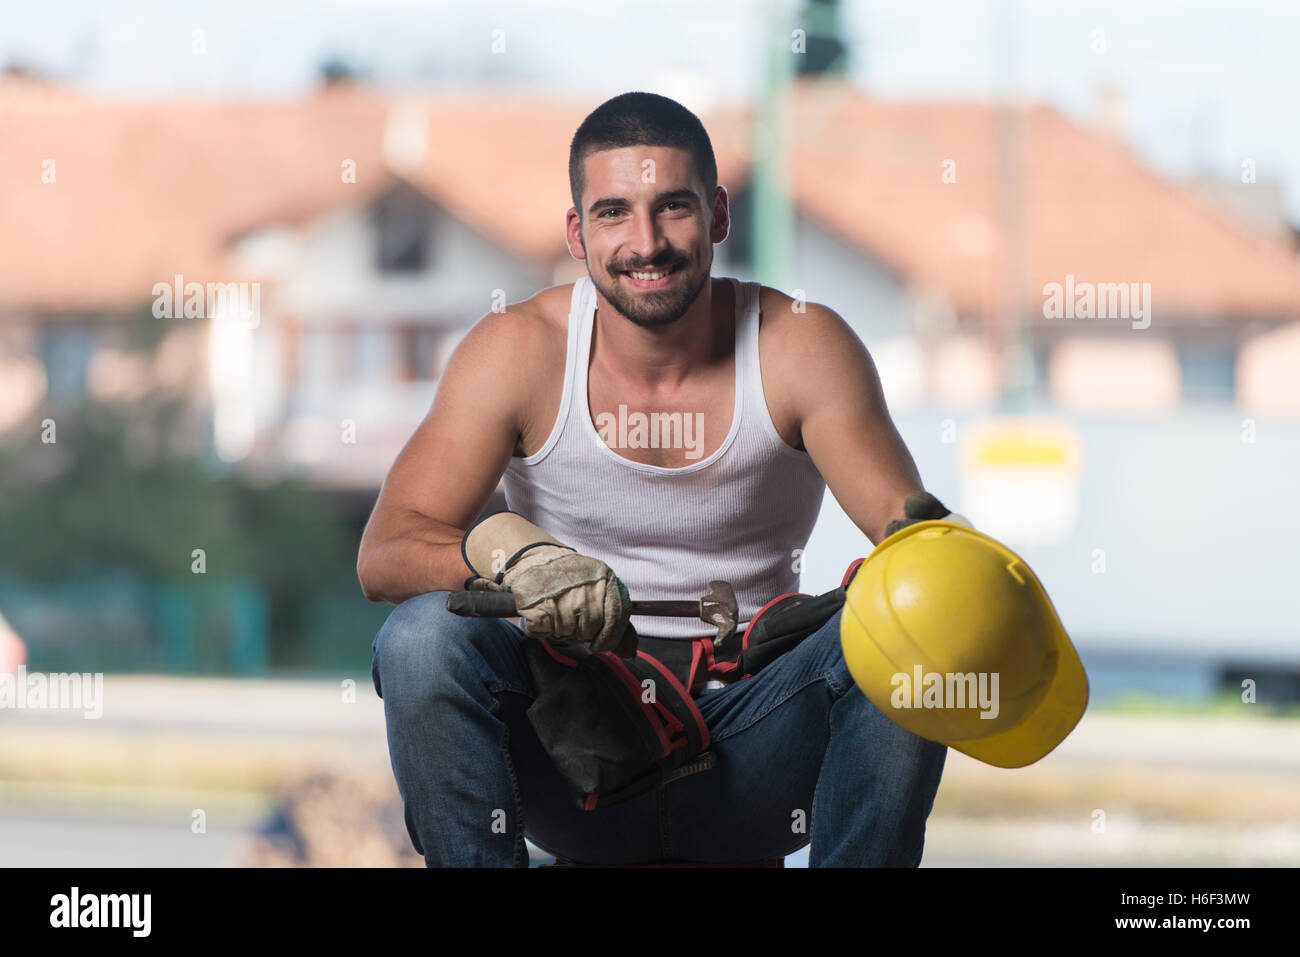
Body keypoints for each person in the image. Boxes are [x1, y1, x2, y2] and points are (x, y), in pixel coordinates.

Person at [357, 91, 948, 867]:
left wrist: (938, 575)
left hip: (755, 745)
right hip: (581, 752)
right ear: (578, 232)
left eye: (673, 208)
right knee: (423, 638)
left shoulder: (801, 345)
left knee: (909, 629)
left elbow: (914, 545)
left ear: (718, 215)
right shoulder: (517, 352)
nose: (646, 242)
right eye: (613, 213)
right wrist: (512, 558)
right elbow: (386, 553)